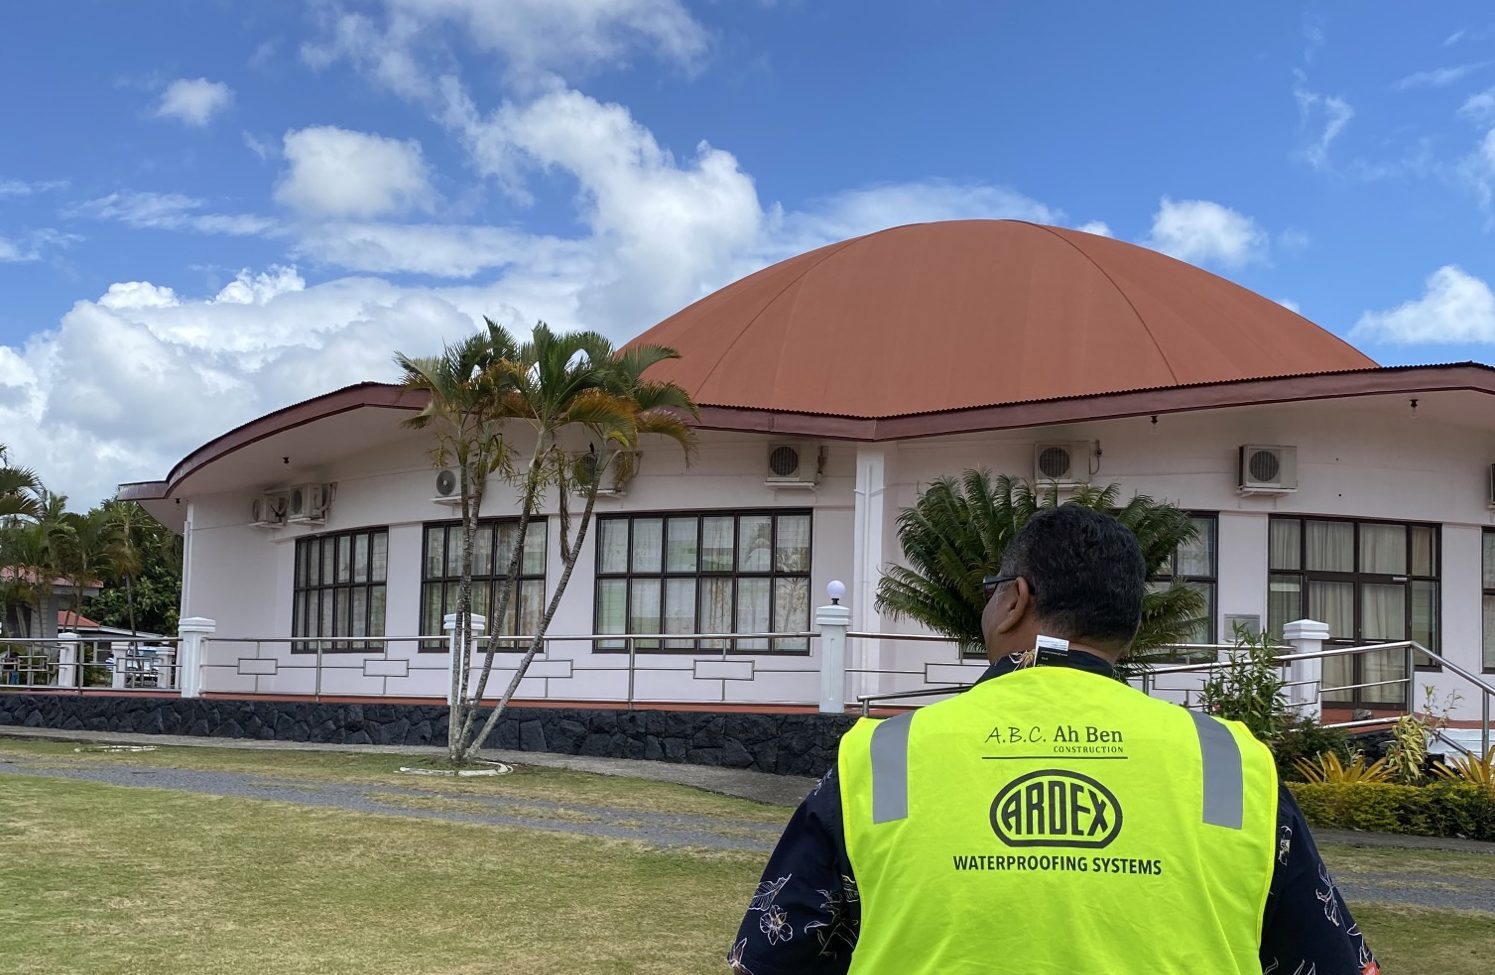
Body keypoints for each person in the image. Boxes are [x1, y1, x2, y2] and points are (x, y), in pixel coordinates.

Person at [728, 505, 1376, 975]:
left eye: (991, 591)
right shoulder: (1232, 764)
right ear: (1126, 624)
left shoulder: (883, 754)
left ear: (1014, 599)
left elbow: (771, 955)